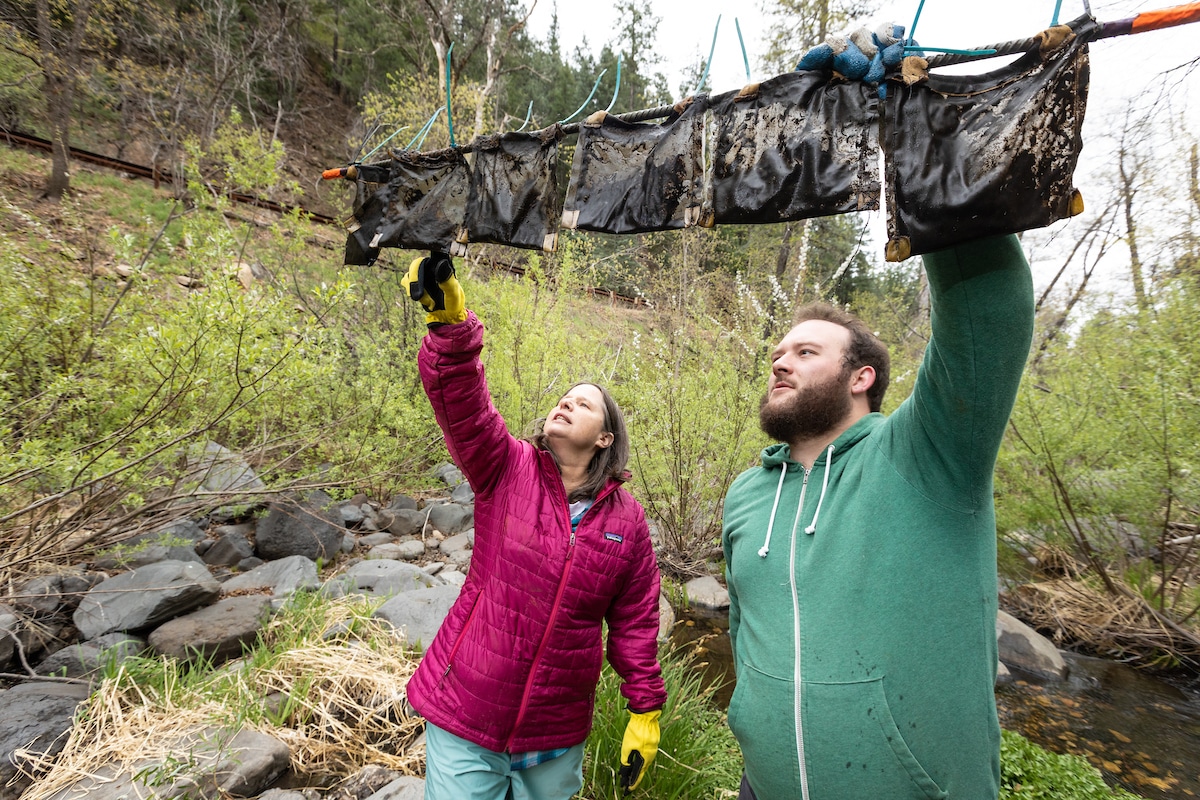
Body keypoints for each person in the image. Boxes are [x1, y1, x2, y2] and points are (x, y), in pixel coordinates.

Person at [722, 233, 1035, 799]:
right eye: (777, 355)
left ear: (861, 377)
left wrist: (940, 190)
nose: (780, 364)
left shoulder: (927, 454)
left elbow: (984, 316)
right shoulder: (746, 494)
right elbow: (744, 627)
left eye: (805, 353)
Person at [400, 252, 667, 800]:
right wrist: (451, 330)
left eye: (585, 403)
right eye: (565, 396)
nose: (568, 401)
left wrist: (645, 706)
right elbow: (463, 403)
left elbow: (635, 622)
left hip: (555, 733)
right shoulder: (506, 467)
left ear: (605, 439)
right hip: (468, 709)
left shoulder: (628, 522)